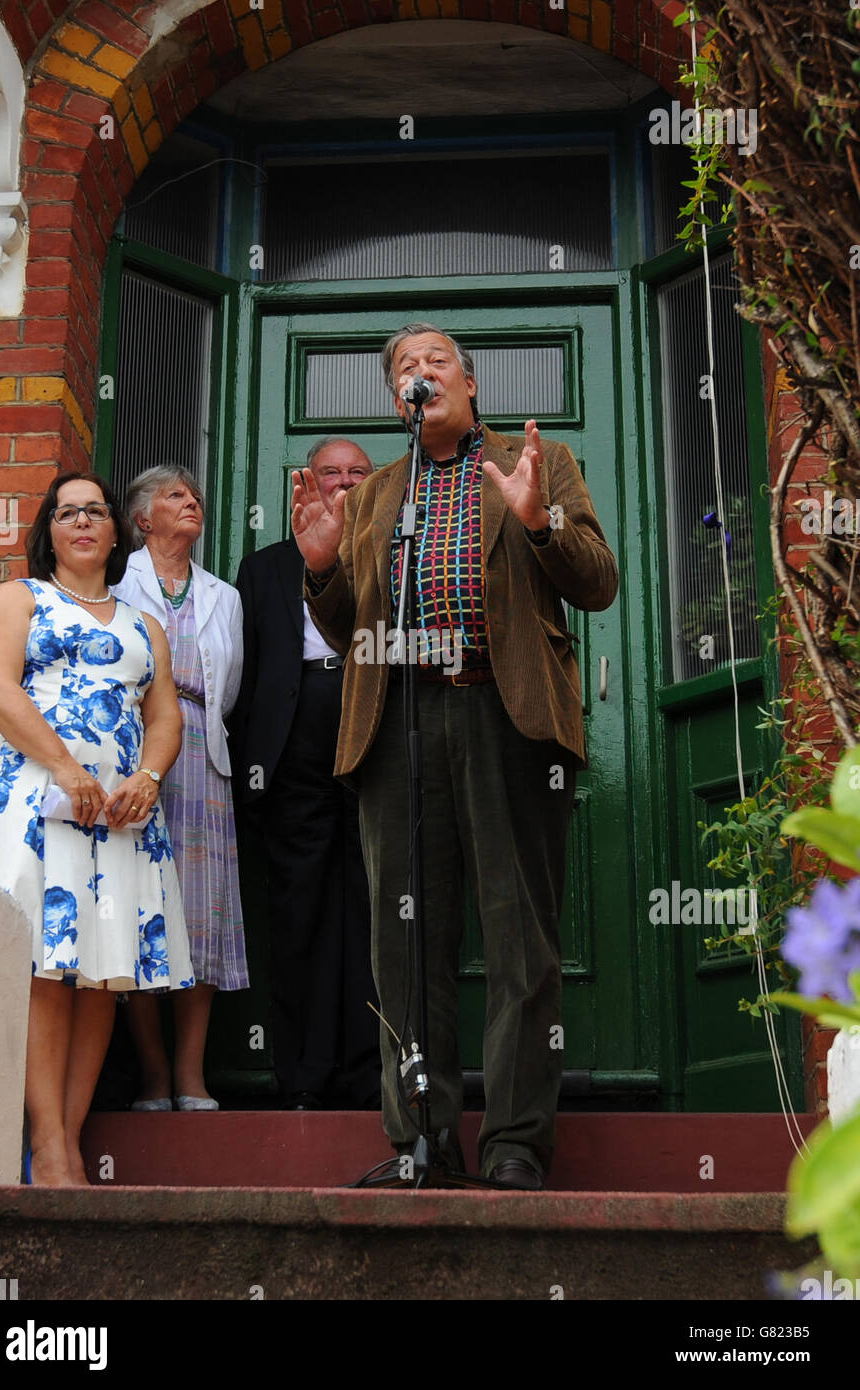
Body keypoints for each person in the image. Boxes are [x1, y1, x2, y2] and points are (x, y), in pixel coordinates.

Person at [292, 324, 618, 1188]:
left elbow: (599, 581)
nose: (421, 373)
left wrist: (538, 521)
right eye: (406, 367)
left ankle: (514, 1144)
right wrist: (322, 573)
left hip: (505, 718)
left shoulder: (539, 463)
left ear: (469, 384)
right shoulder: (373, 496)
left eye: (436, 362)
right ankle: (422, 1142)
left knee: (520, 943)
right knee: (405, 947)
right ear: (395, 397)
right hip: (396, 724)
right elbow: (345, 627)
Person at [0, 471, 194, 1186]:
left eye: (95, 510)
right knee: (43, 969)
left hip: (117, 822)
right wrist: (65, 768)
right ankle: (51, 1150)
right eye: (67, 513)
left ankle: (64, 1136)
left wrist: (148, 779)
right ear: (49, 531)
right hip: (39, 805)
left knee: (101, 973)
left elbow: (166, 717)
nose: (83, 522)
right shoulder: (20, 598)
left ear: (116, 529)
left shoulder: (141, 624)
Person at [232, 438, 380, 1110]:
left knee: (376, 908)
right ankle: (303, 1077)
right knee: (300, 912)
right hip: (292, 752)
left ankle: (367, 1072)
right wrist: (250, 765)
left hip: (374, 743)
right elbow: (248, 675)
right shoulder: (263, 570)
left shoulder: (393, 553)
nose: (344, 484)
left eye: (358, 474)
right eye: (331, 474)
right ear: (307, 484)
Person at [112, 465, 248, 1111]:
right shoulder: (117, 587)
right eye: (175, 496)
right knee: (142, 911)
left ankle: (192, 1077)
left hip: (202, 753)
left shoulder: (224, 594)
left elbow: (234, 686)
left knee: (201, 918)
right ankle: (154, 1077)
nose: (192, 502)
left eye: (195, 495)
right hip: (135, 749)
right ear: (143, 519)